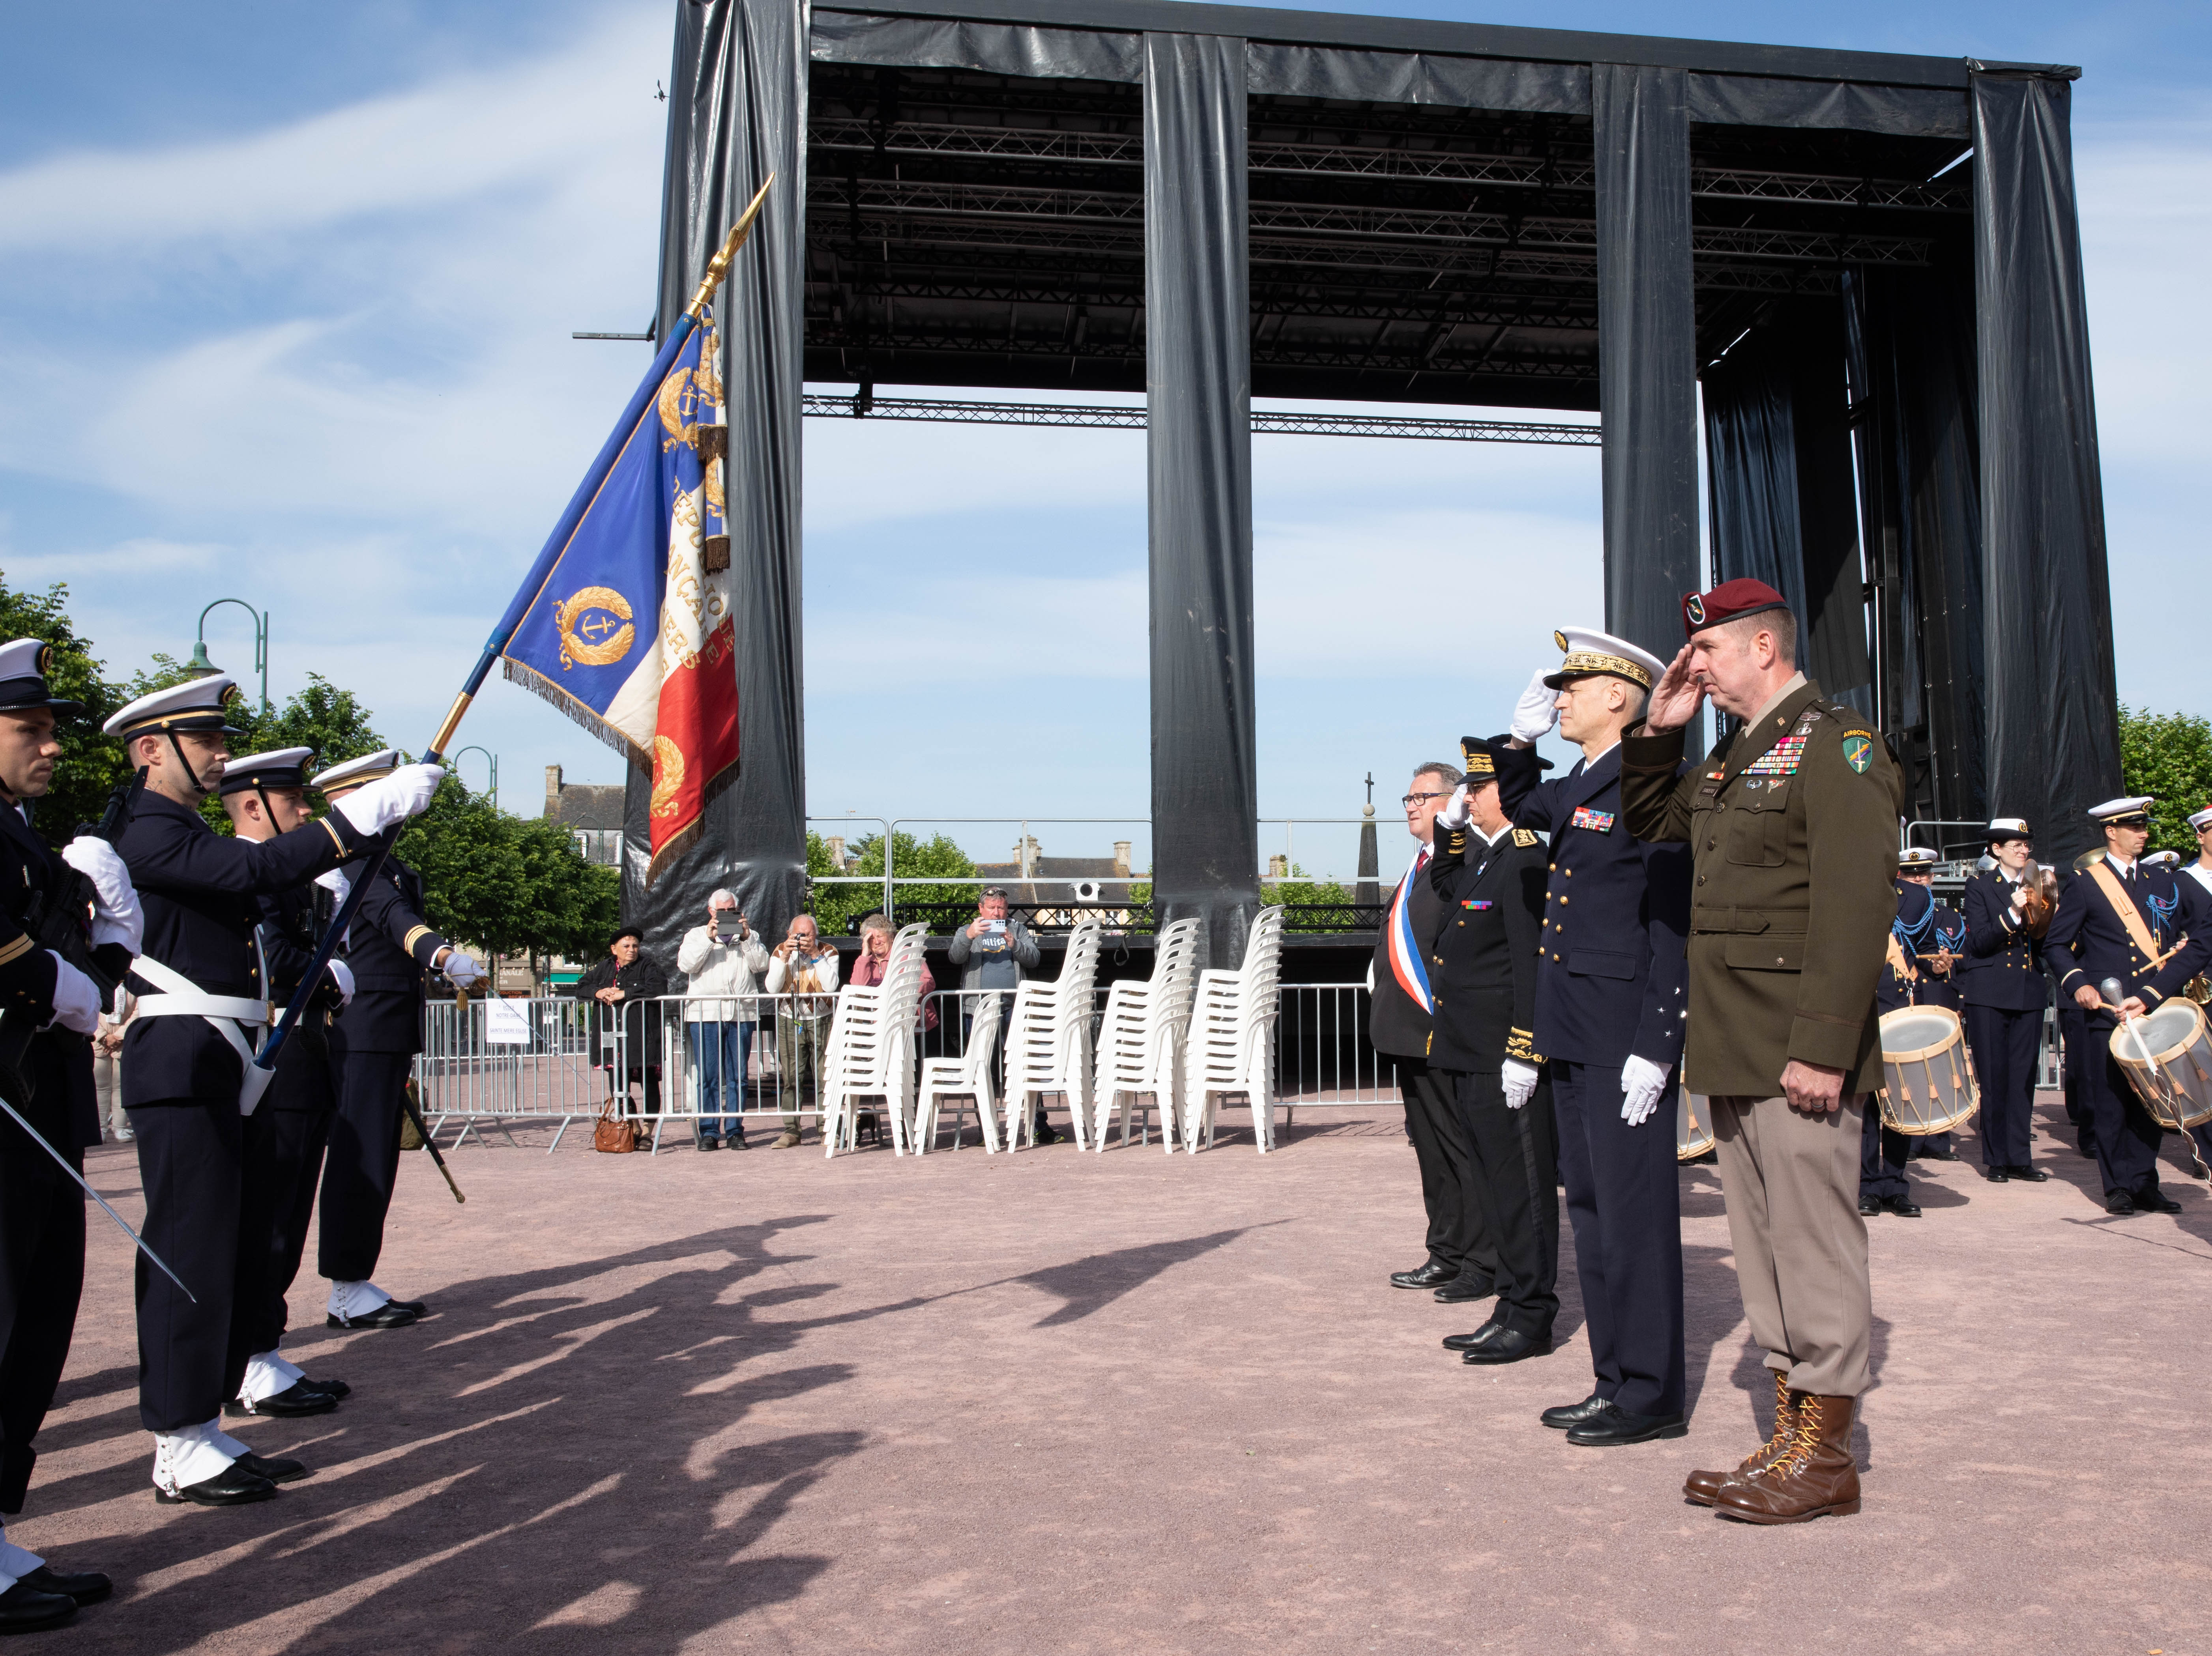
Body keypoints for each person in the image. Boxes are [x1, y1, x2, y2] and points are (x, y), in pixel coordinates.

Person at [107, 677, 441, 1505]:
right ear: (151, 749)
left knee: (230, 1241)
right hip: (181, 1053)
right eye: (205, 740)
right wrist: (361, 816)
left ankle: (204, 1418)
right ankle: (178, 1437)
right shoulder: (145, 829)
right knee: (190, 1250)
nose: (221, 753)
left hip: (221, 1053)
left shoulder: (179, 829)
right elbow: (259, 866)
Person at [1621, 577, 1903, 1525]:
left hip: (1795, 1046)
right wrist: (1658, 731)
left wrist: (1822, 1046)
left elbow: (1854, 902)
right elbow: (1652, 825)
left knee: (1813, 1244)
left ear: (1763, 648)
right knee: (1763, 1250)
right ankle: (1791, 1436)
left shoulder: (1838, 744)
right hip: (1735, 1040)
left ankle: (1825, 1457)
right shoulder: (1733, 753)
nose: (1691, 664)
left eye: (1706, 649)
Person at [1497, 626, 1693, 1445]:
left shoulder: (1651, 781)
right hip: (1575, 1030)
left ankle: (1650, 1392)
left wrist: (1658, 1040)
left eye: (1570, 688)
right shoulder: (1579, 780)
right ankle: (1614, 1380)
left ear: (1618, 694)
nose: (1559, 702)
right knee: (1591, 1212)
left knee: (1634, 1216)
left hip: (1623, 1037)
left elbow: (1672, 921)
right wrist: (1516, 743)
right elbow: (1518, 804)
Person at [0, 639, 128, 1629]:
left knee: (36, 1321)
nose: (51, 745)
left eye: (51, 729)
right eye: (29, 729)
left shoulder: (24, 835)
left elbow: (66, 960)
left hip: (40, 1105)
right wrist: (49, 974)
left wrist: (110, 947)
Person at [312, 751, 479, 1331]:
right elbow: (391, 918)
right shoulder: (355, 860)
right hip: (361, 1028)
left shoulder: (384, 860)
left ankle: (354, 1279)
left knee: (378, 1153)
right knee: (359, 1157)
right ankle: (345, 1286)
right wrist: (443, 956)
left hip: (384, 1028)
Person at [214, 750, 354, 1420]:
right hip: (277, 1054)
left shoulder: (290, 878)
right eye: (292, 801)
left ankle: (264, 1347)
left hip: (306, 1052)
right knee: (270, 1218)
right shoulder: (247, 874)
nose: (304, 811)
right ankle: (250, 1356)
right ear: (252, 806)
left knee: (290, 1212)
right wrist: (330, 973)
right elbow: (273, 955)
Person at [1426, 737, 1553, 1368]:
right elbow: (1445, 883)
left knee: (1520, 1189)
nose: (1468, 799)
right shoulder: (1487, 858)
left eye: (1477, 789)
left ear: (1508, 791)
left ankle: (1530, 1313)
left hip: (1502, 1054)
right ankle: (1508, 1303)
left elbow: (1533, 961)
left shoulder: (1526, 857)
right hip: (1468, 1050)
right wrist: (1450, 831)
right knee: (1492, 1186)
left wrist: (1524, 1047)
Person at [1368, 761, 1498, 1306]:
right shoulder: (1418, 863)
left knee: (1460, 1148)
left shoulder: (1466, 859)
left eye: (1421, 797)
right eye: (1407, 798)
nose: (1410, 806)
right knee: (1431, 1150)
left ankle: (1481, 1261)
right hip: (1407, 1031)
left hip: (1442, 1028)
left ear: (1453, 800)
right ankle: (1445, 1250)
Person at [2041, 797, 2210, 1215]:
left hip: (2152, 1004)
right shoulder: (2086, 882)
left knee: (2151, 1100)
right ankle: (2117, 1185)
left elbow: (2192, 938)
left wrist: (2163, 979)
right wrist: (2077, 983)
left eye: (2144, 826)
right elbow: (2056, 945)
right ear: (2111, 831)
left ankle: (2144, 1182)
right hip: (2108, 1010)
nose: (2143, 834)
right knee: (2111, 1101)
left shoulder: (2164, 880)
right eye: (2134, 827)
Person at [1958, 821, 2053, 1185]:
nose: (2023, 851)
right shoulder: (1980, 886)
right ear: (1996, 850)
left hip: (2028, 991)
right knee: (1995, 1076)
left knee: (2023, 1078)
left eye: (2026, 846)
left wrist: (2047, 912)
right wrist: (2013, 914)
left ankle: (2020, 1157)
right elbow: (1979, 942)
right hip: (1990, 992)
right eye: (2016, 845)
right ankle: (1997, 1158)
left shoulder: (2037, 887)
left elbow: (2044, 942)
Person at [947, 888, 1048, 1140]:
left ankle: (1039, 1126)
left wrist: (1015, 945)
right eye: (991, 908)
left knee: (1025, 1065)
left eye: (1001, 908)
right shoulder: (967, 930)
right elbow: (954, 957)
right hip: (978, 1009)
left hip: (1013, 1007)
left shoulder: (1018, 929)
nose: (996, 913)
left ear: (1007, 908)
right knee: (982, 1069)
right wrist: (969, 936)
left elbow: (1035, 959)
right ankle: (987, 1129)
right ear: (981, 909)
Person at [1860, 861, 1930, 1219]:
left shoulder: (1916, 897)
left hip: (1899, 1003)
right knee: (1866, 1101)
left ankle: (1896, 1183)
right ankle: (1867, 1184)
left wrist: (1937, 965)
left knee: (1901, 1097)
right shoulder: (1845, 890)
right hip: (1859, 1000)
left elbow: (1927, 949)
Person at [676, 890, 769, 1151]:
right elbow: (686, 966)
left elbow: (762, 965)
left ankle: (735, 1131)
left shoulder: (750, 936)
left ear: (738, 910)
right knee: (708, 1076)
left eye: (731, 910)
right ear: (711, 912)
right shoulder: (696, 935)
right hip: (706, 1015)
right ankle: (709, 1132)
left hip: (740, 1014)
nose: (727, 915)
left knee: (739, 1076)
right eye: (722, 911)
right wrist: (709, 939)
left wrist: (747, 939)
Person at [1896, 847, 1963, 1163]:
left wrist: (1959, 995)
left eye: (1923, 874)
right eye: (1911, 875)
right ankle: (1909, 1140)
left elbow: (1958, 961)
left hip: (1937, 995)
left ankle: (1938, 1139)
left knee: (1939, 1069)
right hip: (1905, 994)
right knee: (1907, 1071)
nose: (1918, 879)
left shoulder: (1947, 916)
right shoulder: (1896, 910)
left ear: (1933, 878)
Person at [576, 927, 668, 1128]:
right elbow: (581, 987)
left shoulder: (648, 966)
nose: (632, 950)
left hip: (642, 1037)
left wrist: (625, 993)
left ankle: (648, 1132)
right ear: (614, 949)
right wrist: (599, 992)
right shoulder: (604, 967)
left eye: (635, 946)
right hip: (613, 1039)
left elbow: (658, 987)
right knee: (618, 1088)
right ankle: (633, 1128)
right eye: (626, 946)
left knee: (650, 1085)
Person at [763, 915, 840, 1148]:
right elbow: (772, 988)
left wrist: (816, 955)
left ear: (816, 935)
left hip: (823, 1020)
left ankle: (827, 1129)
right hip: (790, 1020)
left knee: (825, 1078)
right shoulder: (780, 951)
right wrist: (784, 958)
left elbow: (831, 986)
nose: (803, 939)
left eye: (808, 935)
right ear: (789, 935)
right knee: (791, 1078)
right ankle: (791, 1131)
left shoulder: (829, 951)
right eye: (799, 935)